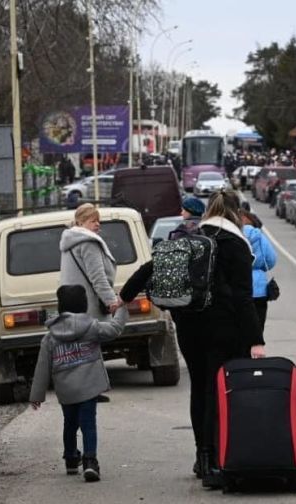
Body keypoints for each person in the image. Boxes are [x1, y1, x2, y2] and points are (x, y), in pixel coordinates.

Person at [119, 190, 265, 487]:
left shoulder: (191, 235)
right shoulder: (235, 243)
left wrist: (124, 295)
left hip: (188, 324)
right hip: (223, 328)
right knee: (217, 390)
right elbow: (242, 296)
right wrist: (256, 339)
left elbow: (152, 267)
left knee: (199, 388)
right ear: (236, 213)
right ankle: (215, 459)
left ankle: (202, 457)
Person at [29, 285, 128, 482]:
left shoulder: (50, 337)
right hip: (89, 387)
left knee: (70, 423)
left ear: (60, 307)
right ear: (84, 305)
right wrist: (121, 308)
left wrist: (36, 396)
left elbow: (42, 368)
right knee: (88, 424)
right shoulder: (92, 328)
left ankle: (71, 459)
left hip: (66, 390)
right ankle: (90, 461)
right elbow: (115, 329)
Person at [59, 204, 119, 321]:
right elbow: (98, 277)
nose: (97, 224)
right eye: (93, 221)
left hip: (74, 308)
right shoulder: (89, 243)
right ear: (81, 223)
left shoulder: (69, 241)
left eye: (98, 221)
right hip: (92, 309)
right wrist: (111, 301)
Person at [242, 207, 277, 330]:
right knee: (258, 325)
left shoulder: (233, 235)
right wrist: (260, 268)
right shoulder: (259, 236)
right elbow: (271, 259)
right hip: (259, 289)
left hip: (239, 287)